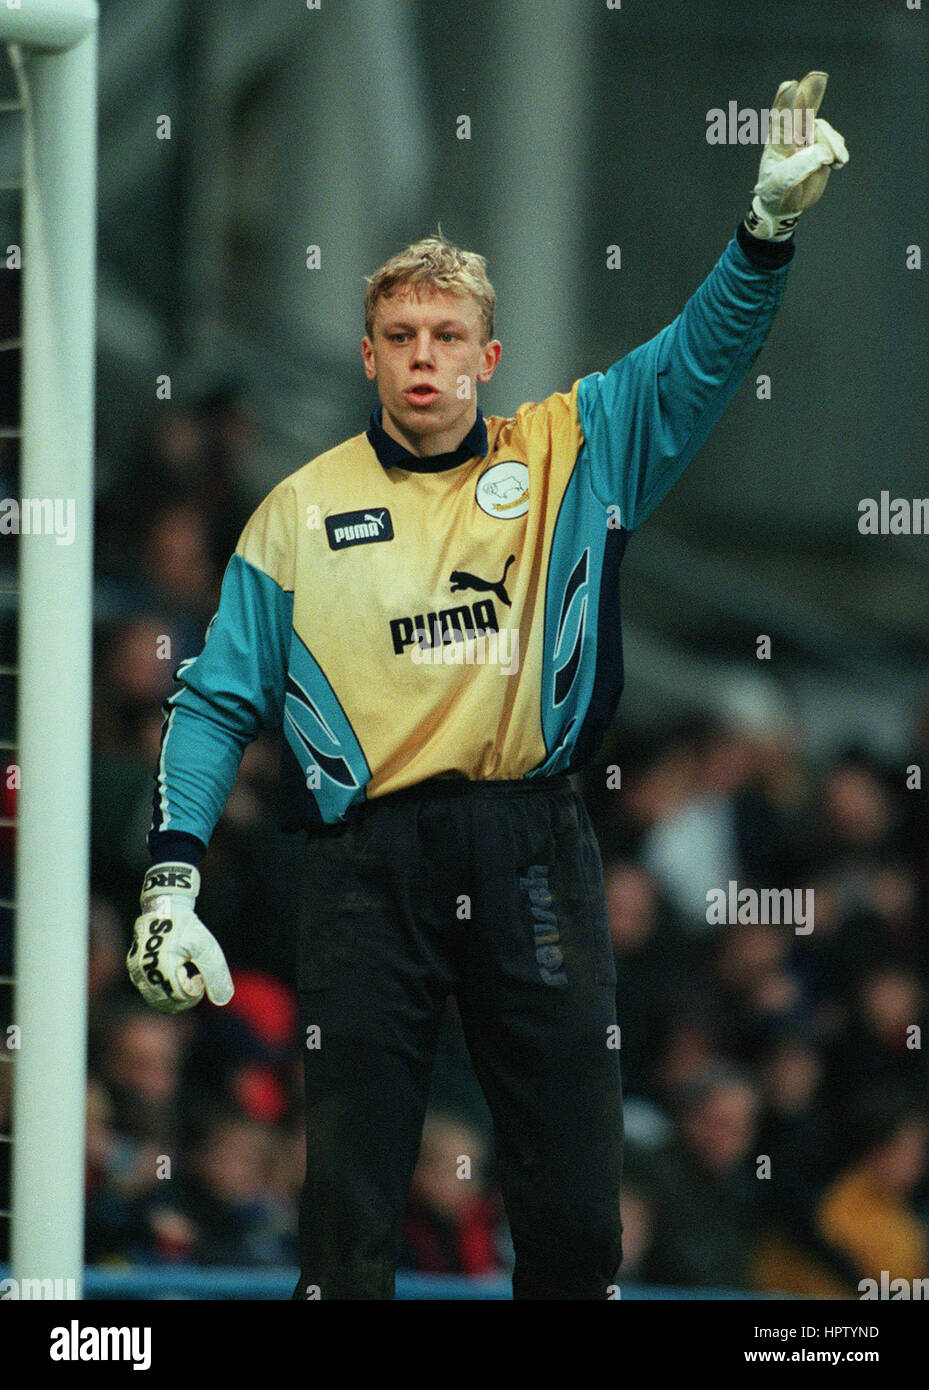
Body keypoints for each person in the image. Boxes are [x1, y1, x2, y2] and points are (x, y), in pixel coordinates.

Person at [127, 74, 848, 1299]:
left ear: (487, 356)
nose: (423, 358)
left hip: (534, 850)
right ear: (365, 354)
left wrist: (763, 233)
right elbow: (211, 702)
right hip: (361, 867)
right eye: (400, 337)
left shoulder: (570, 450)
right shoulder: (293, 515)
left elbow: (696, 360)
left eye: (447, 337)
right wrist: (172, 869)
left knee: (574, 1224)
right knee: (344, 1226)